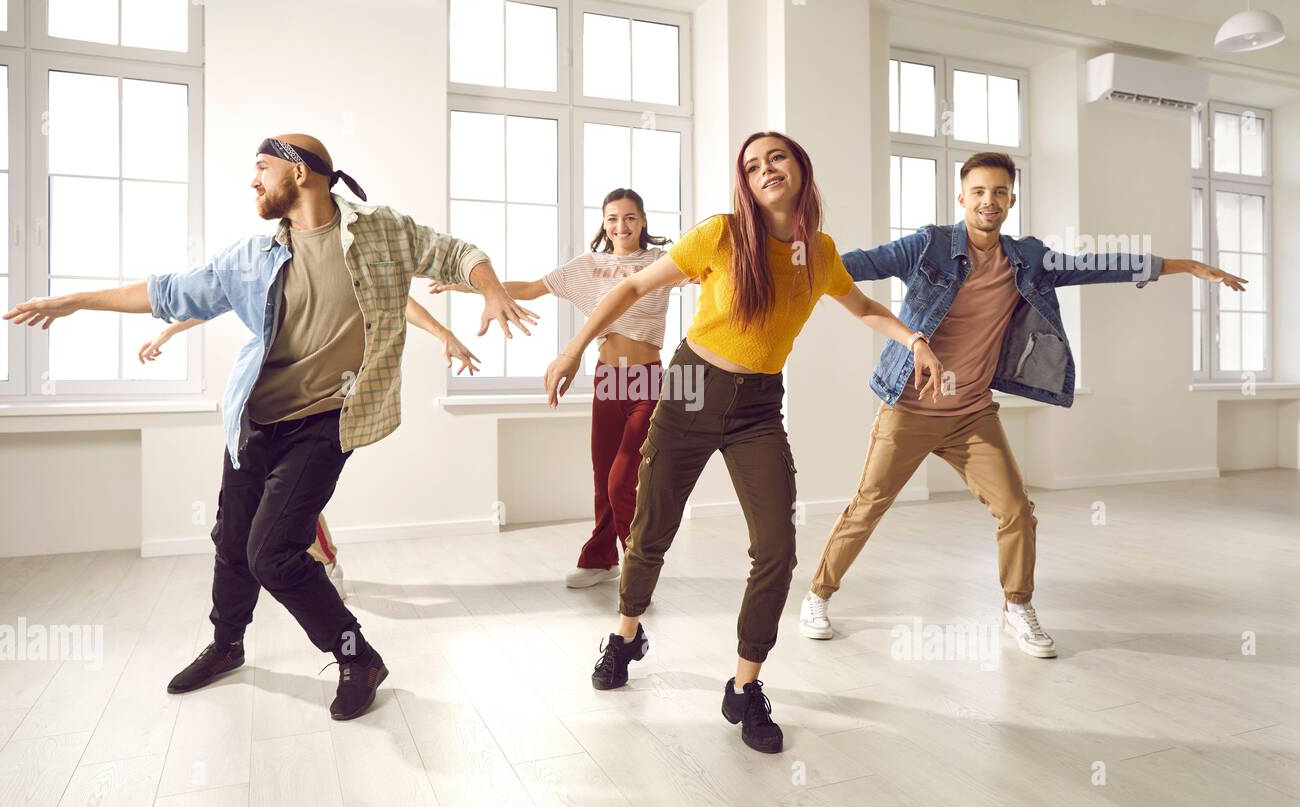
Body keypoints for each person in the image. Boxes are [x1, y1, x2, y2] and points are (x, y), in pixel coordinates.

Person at [4, 133, 536, 720]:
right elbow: (171, 293)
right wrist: (76, 300)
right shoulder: (254, 256)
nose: (252, 180)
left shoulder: (381, 231)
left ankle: (358, 656)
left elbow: (457, 252)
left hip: (325, 422)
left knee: (272, 552)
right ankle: (227, 644)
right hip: (253, 420)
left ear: (301, 172)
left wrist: (490, 292)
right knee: (232, 542)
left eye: (261, 167)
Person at [543, 131, 945, 753]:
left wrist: (913, 338)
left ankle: (744, 685)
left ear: (799, 168)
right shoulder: (721, 235)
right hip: (692, 390)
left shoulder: (820, 253)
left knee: (777, 547)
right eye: (752, 164)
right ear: (745, 181)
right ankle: (625, 636)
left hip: (758, 405)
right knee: (651, 527)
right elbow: (628, 289)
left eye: (776, 157)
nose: (765, 169)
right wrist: (572, 350)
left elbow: (863, 306)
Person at [799, 150, 1247, 657]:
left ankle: (1017, 605)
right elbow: (852, 264)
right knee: (869, 506)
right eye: (979, 192)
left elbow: (1096, 266)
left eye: (999, 192)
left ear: (1012, 200)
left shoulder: (1027, 258)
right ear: (962, 197)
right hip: (911, 408)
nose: (989, 201)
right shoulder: (929, 246)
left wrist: (1181, 265)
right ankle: (818, 595)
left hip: (970, 414)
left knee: (1016, 510)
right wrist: (778, 263)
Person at [136, 295, 482, 601]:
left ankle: (325, 565)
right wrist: (168, 331)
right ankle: (300, 572)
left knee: (289, 507)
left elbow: (397, 298)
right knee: (257, 509)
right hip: (265, 407)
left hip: (315, 412)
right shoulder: (277, 271)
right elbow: (220, 295)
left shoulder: (348, 267)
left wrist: (443, 333)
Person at [432, 188, 671, 591]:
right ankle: (599, 559)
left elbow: (705, 272)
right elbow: (529, 288)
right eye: (612, 218)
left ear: (643, 221)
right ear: (604, 222)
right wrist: (470, 286)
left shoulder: (659, 262)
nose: (621, 226)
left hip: (647, 378)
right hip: (608, 378)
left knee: (622, 479)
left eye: (630, 218)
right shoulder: (587, 266)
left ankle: (639, 563)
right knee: (602, 477)